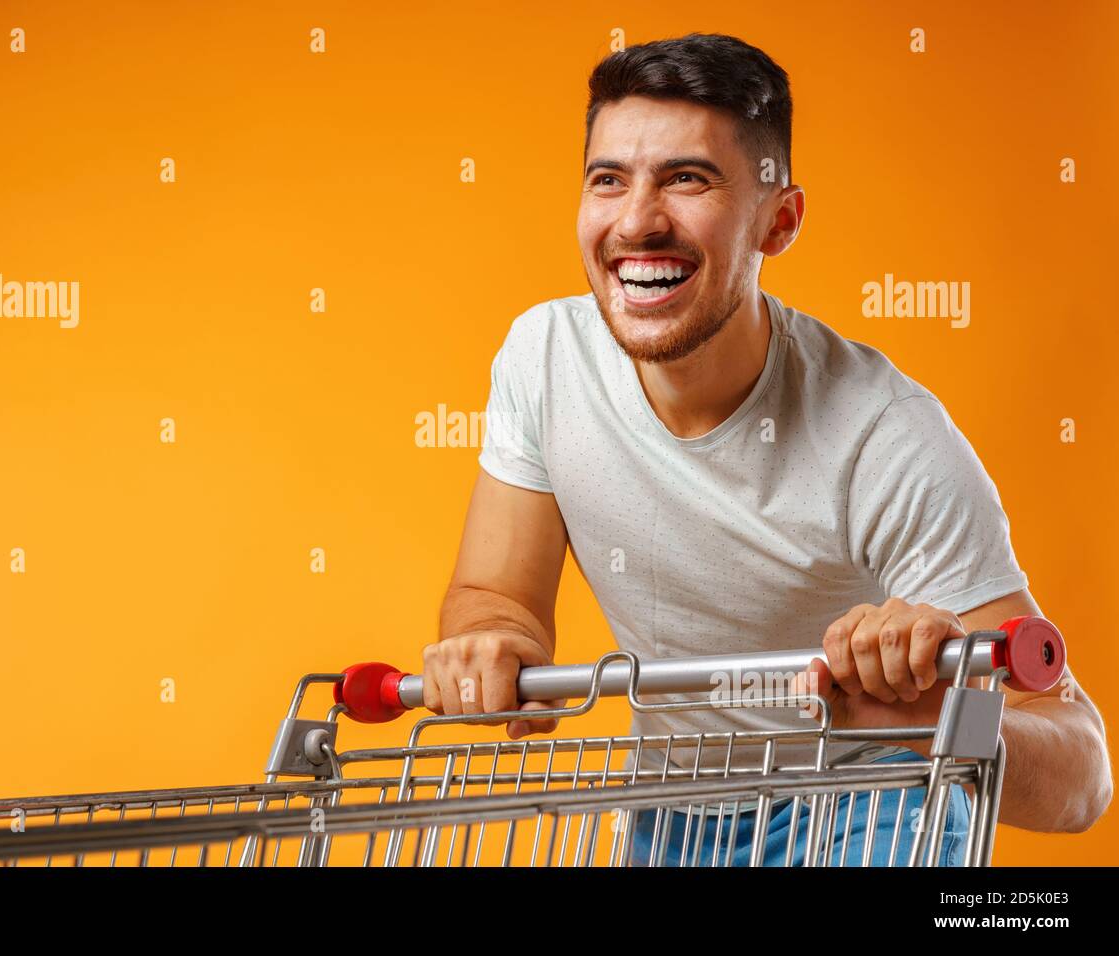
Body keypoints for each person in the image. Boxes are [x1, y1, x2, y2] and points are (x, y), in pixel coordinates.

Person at [421, 33, 1111, 865]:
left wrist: (938, 721)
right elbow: (497, 596)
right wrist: (491, 645)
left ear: (778, 221)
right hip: (675, 807)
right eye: (609, 179)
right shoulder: (544, 359)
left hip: (865, 802)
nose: (637, 220)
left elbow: (1082, 771)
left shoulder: (882, 434)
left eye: (687, 178)